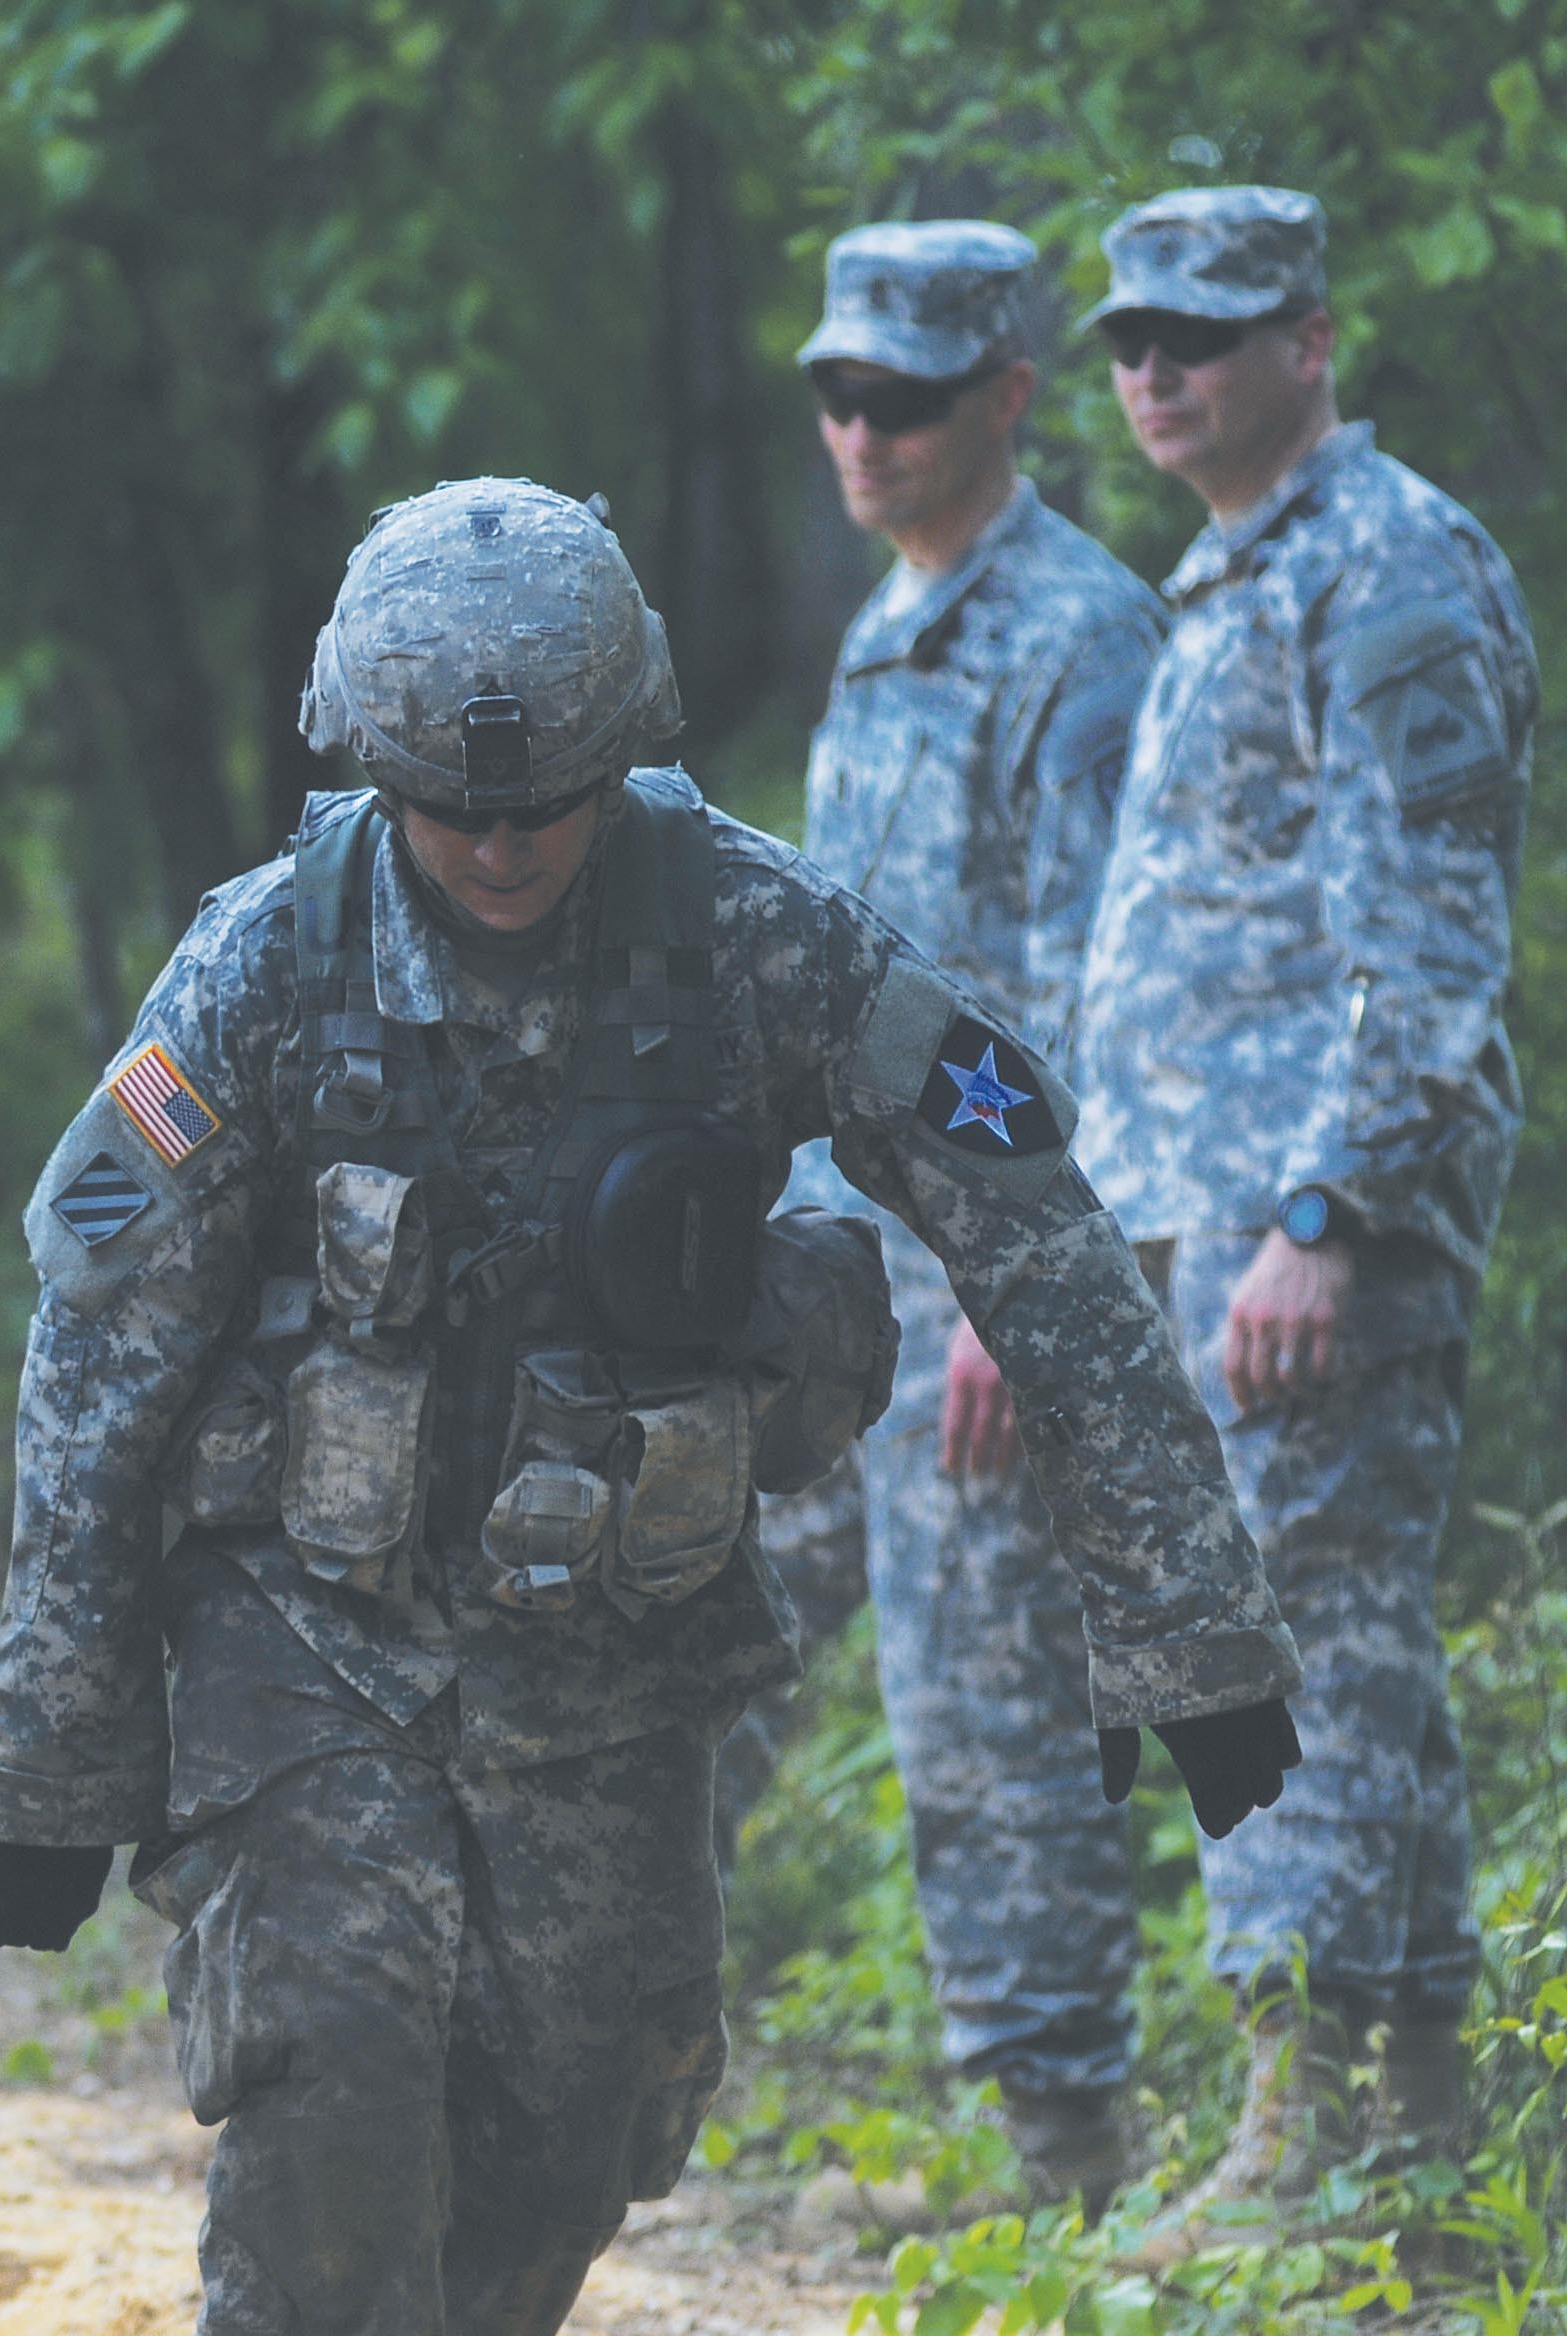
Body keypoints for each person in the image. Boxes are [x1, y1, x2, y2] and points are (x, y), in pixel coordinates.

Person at [0, 481, 1300, 2336]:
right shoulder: (268, 962)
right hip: (304, 1629)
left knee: (573, 2142)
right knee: (335, 2063)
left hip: (610, 1657)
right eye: (452, 808)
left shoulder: (757, 939)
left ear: (627, 751)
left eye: (547, 802)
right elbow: (94, 1356)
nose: (501, 847)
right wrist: (51, 1760)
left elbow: (1031, 1233)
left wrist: (1184, 1635)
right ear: (369, 772)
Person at [1066, 187, 1536, 2214]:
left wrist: (1322, 1212)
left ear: (1308, 343)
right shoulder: (1231, 571)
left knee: (1276, 1651)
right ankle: (1403, 2116)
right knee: (1341, 1642)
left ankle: (1294, 2121)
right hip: (1230, 1215)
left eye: (1197, 331)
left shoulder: (1386, 565)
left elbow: (1423, 938)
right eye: (1125, 338)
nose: (1151, 368)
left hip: (1313, 1223)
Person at [766, 222, 1169, 2206]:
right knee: (758, 1635)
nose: (862, 431)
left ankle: (1057, 2146)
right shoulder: (884, 626)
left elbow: (1103, 991)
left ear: (1004, 395)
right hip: (843, 1253)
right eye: (835, 395)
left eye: (903, 399)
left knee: (992, 1696)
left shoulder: (1078, 641)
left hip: (981, 1268)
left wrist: (1027, 1288)